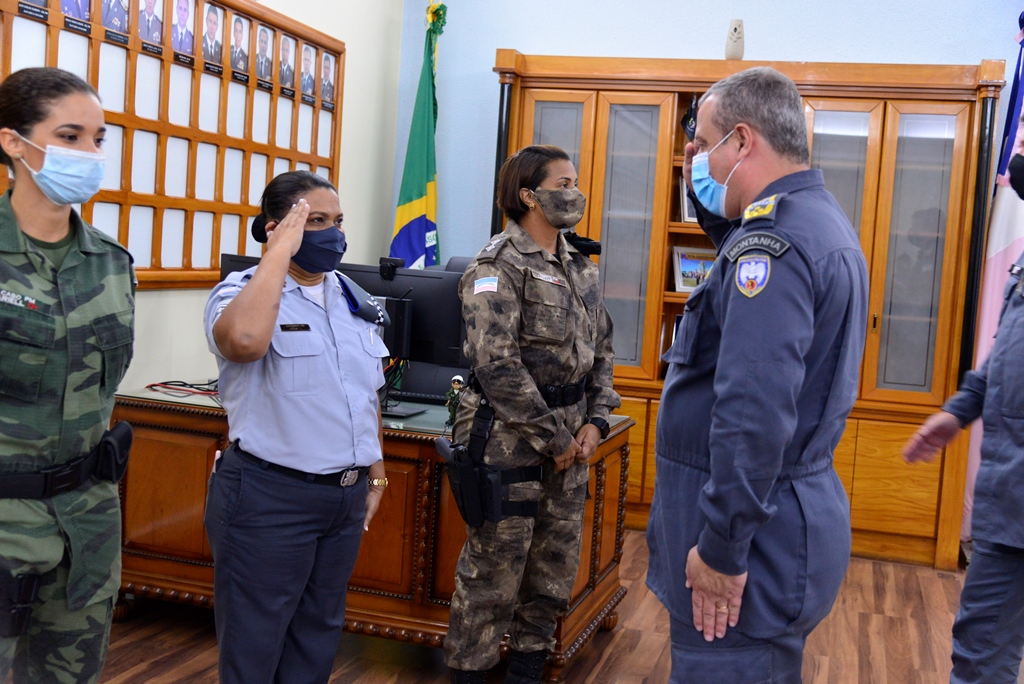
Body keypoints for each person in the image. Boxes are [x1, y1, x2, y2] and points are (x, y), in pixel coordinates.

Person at [645, 66, 868, 683]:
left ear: (742, 140)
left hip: (751, 537)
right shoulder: (807, 220)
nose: (697, 160)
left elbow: (753, 410)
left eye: (704, 144)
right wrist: (708, 195)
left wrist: (721, 548)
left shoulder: (769, 247)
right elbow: (739, 258)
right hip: (784, 515)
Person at [203, 170, 389, 684]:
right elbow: (244, 342)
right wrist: (278, 254)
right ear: (275, 227)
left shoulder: (352, 298)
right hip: (269, 498)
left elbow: (365, 392)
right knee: (254, 645)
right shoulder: (241, 293)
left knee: (317, 638)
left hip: (343, 499)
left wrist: (375, 471)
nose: (334, 233)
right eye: (317, 221)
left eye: (338, 221)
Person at [444, 144, 620, 684]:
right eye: (564, 184)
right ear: (529, 195)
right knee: (492, 579)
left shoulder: (580, 266)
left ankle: (526, 672)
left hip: (572, 443)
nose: (576, 193)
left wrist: (596, 421)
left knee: (551, 575)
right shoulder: (496, 266)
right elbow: (497, 366)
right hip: (509, 442)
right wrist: (555, 438)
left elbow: (602, 352)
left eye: (575, 182)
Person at [0, 67, 135, 684]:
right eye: (70, 136)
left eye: (98, 139)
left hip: (86, 523)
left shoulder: (110, 263)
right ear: (14, 143)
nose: (89, 153)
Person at [902, 149, 1024, 683]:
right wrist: (959, 410)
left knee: (983, 655)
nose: (1017, 156)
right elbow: (1005, 354)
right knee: (982, 649)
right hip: (1009, 499)